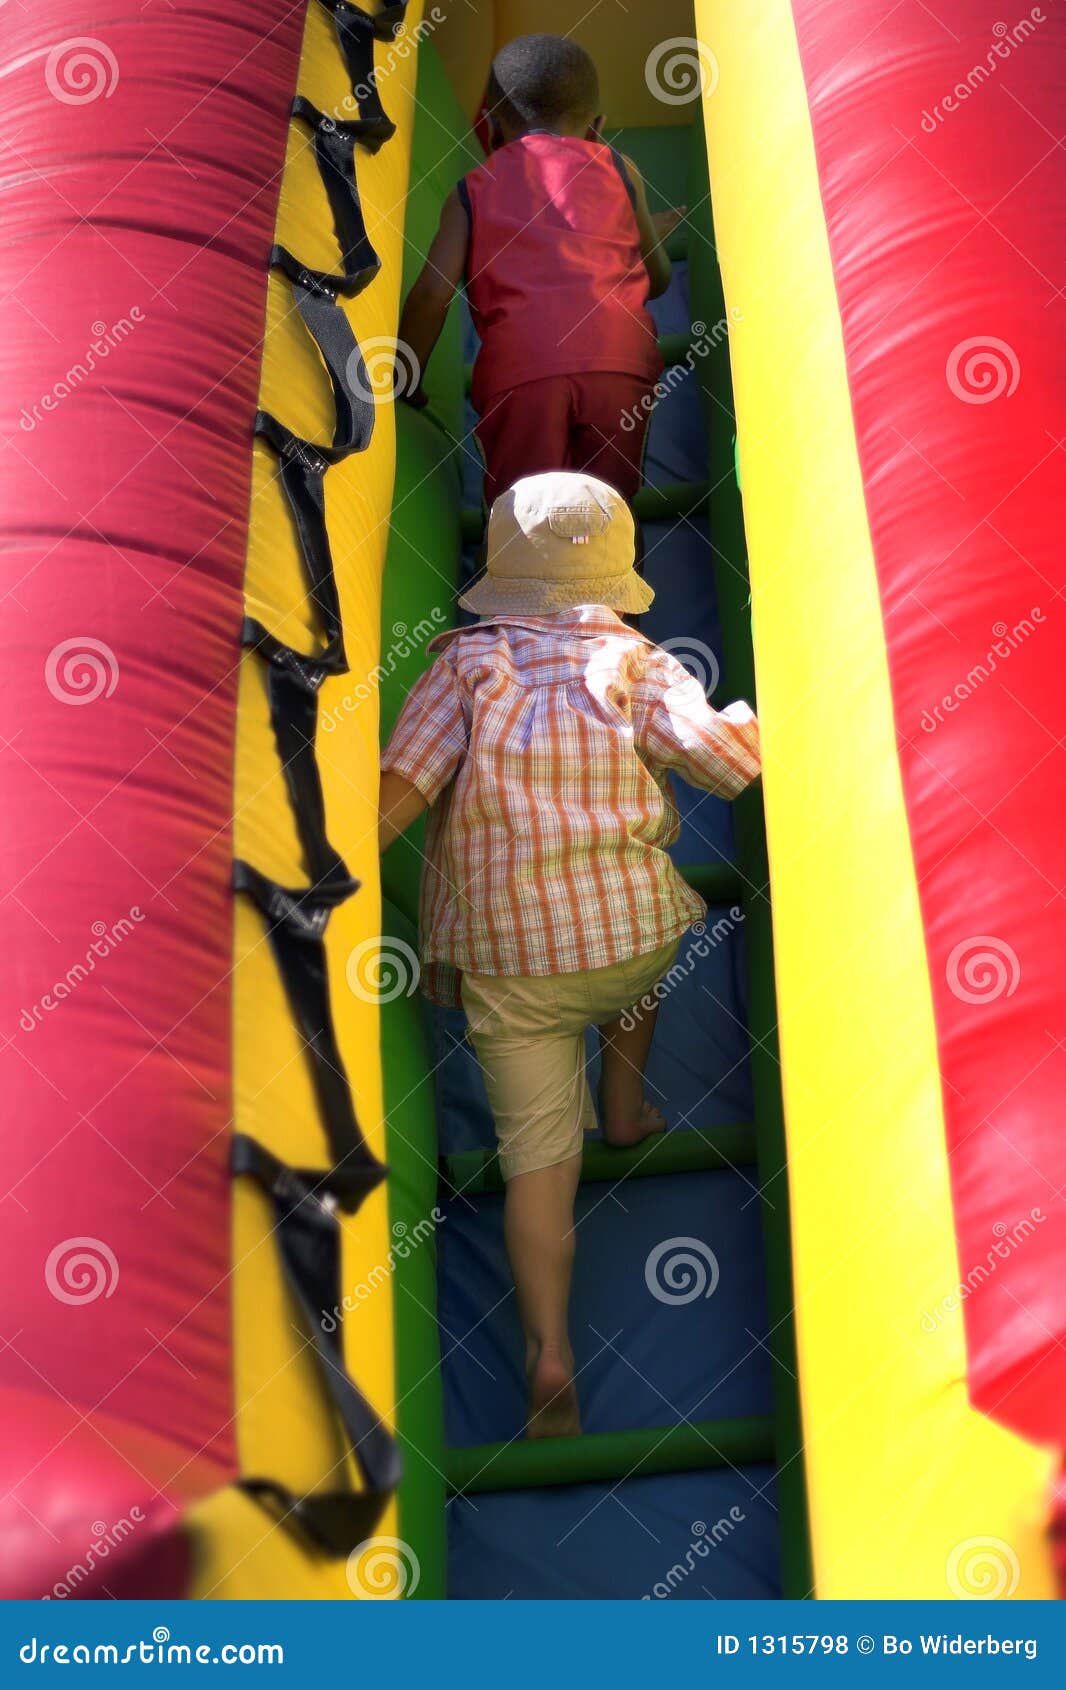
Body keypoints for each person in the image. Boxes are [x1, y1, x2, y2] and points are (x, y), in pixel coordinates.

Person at [378, 472, 760, 1438]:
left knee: (537, 1162)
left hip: (507, 960)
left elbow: (402, 794)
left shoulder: (463, 667)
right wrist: (750, 723)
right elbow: (723, 768)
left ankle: (548, 1350)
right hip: (625, 930)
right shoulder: (636, 663)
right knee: (642, 962)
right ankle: (626, 1109)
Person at [397, 33, 683, 506]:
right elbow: (660, 278)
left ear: (488, 128)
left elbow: (432, 294)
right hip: (620, 367)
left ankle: (521, 574)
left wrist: (405, 378)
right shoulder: (619, 167)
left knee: (523, 517)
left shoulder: (472, 189)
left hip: (522, 375)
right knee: (610, 513)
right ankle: (617, 573)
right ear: (597, 128)